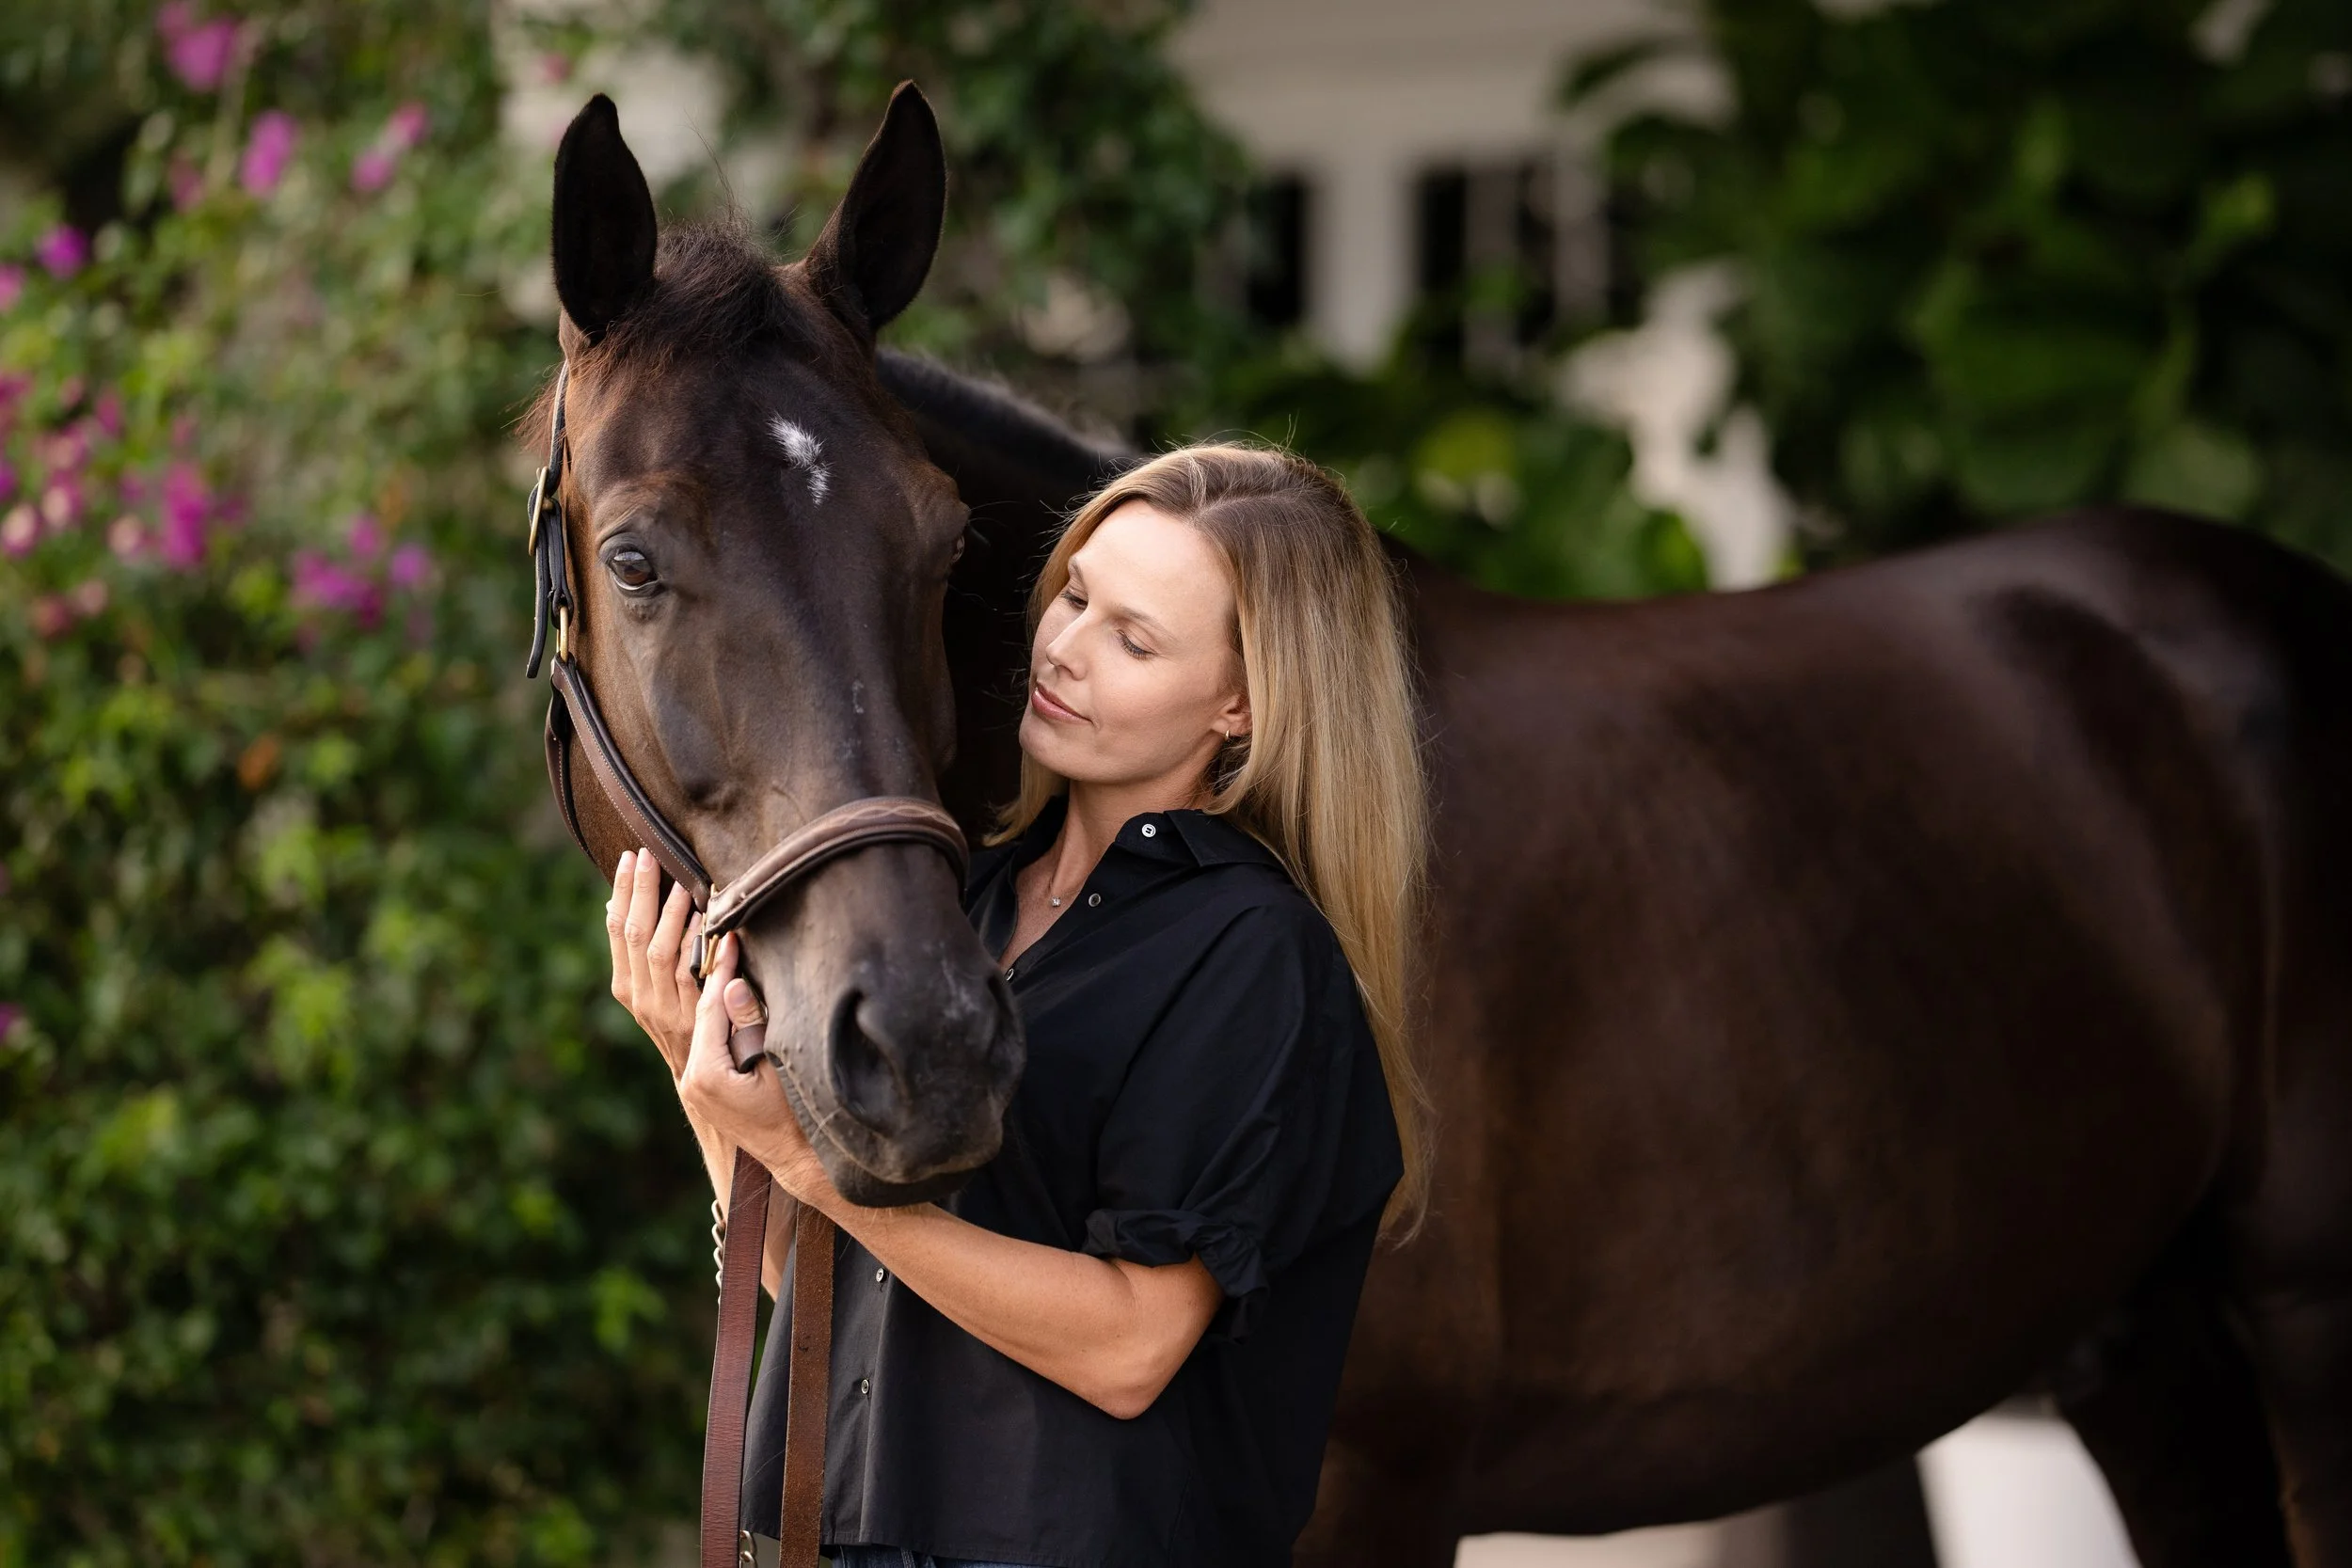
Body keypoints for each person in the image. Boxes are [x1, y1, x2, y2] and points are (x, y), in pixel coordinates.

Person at [608, 443, 1431, 1567]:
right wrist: (708, 1086)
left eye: (1133, 639)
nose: (1065, 649)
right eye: (1076, 595)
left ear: (1241, 704)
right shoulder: (968, 903)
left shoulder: (1251, 954)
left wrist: (808, 1164)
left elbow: (1133, 1346)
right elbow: (850, 1295)